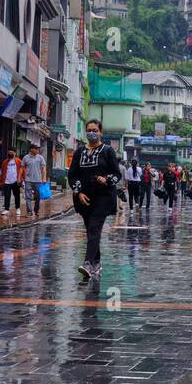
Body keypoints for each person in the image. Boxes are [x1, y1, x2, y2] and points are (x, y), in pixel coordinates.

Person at [69, 119, 124, 279]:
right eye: (89, 130)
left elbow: (117, 174)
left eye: (95, 130)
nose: (91, 133)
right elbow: (73, 174)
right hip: (84, 198)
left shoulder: (107, 151)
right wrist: (78, 192)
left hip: (104, 197)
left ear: (101, 132)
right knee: (91, 231)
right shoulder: (79, 152)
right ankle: (97, 263)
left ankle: (87, 262)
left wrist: (106, 179)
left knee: (94, 228)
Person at [23, 145, 48, 218]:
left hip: (38, 180)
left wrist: (44, 178)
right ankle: (29, 212)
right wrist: (20, 177)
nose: (37, 150)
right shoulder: (26, 158)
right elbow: (22, 168)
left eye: (38, 149)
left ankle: (36, 210)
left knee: (38, 197)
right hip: (28, 180)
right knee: (28, 197)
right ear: (31, 149)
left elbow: (43, 168)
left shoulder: (40, 158)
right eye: (36, 149)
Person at [0, 148, 24, 217]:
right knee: (7, 196)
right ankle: (6, 209)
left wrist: (23, 180)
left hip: (15, 181)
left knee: (17, 196)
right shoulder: (5, 162)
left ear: (14, 153)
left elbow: (22, 170)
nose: (10, 154)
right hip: (7, 182)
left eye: (11, 152)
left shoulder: (18, 161)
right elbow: (2, 172)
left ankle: (18, 208)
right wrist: (1, 181)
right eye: (9, 152)